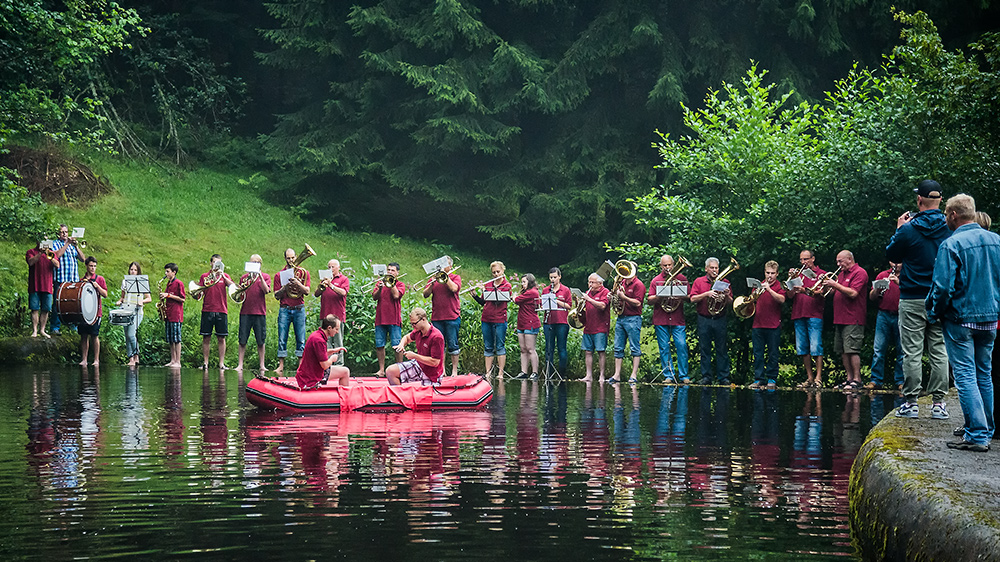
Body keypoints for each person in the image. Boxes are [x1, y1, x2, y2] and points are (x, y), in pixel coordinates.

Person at [926, 193, 1000, 452]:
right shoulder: (996, 241)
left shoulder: (951, 244)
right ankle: (987, 430)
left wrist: (935, 312)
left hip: (961, 318)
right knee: (984, 374)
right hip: (990, 318)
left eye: (946, 214)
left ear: (953, 215)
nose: (946, 218)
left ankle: (977, 435)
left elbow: (943, 287)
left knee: (966, 375)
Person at [886, 179, 951, 419]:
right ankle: (938, 404)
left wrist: (899, 228)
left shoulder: (909, 228)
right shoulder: (949, 227)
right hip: (940, 296)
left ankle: (911, 402)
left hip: (913, 295)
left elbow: (891, 254)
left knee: (911, 351)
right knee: (940, 350)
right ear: (941, 200)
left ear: (919, 200)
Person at [823, 251, 869, 391]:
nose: (838, 265)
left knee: (852, 350)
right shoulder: (841, 274)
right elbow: (831, 293)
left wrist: (835, 285)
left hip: (853, 317)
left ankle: (857, 379)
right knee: (843, 350)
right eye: (837, 262)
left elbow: (853, 293)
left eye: (840, 261)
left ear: (849, 260)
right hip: (840, 318)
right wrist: (826, 284)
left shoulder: (860, 273)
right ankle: (849, 379)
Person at [690, 257, 733, 385]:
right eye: (712, 268)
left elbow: (731, 302)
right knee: (705, 349)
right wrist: (706, 294)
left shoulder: (725, 282)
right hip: (704, 318)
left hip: (720, 318)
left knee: (721, 349)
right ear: (706, 269)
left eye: (716, 268)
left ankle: (723, 377)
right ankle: (706, 377)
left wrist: (726, 295)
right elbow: (692, 299)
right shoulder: (699, 281)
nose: (714, 270)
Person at [647, 255, 689, 384]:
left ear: (674, 264)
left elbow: (690, 297)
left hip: (677, 318)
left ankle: (684, 376)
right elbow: (649, 300)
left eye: (669, 265)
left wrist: (680, 297)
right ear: (661, 266)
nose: (667, 268)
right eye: (664, 265)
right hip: (661, 318)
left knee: (681, 345)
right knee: (664, 347)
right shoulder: (656, 280)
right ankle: (668, 375)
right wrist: (660, 296)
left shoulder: (681, 279)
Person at [788, 250, 826, 388]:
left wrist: (804, 290)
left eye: (806, 259)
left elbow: (822, 293)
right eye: (801, 260)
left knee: (816, 346)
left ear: (813, 259)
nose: (803, 262)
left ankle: (818, 378)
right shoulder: (798, 274)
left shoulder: (821, 274)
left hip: (814, 314)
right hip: (799, 314)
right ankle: (809, 378)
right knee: (802, 347)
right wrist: (790, 280)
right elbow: (790, 295)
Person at [749, 261, 786, 390]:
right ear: (764, 272)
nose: (769, 276)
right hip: (758, 324)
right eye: (767, 273)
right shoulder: (758, 284)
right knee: (758, 353)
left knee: (773, 353)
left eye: (772, 273)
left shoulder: (779, 286)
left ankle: (772, 378)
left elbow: (782, 299)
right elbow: (751, 300)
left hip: (773, 325)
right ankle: (758, 379)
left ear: (777, 274)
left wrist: (769, 289)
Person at [193, 254, 235, 370]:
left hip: (221, 310)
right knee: (206, 337)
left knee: (221, 338)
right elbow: (199, 292)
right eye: (215, 262)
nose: (216, 265)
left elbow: (233, 287)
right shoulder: (205, 276)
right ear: (211, 263)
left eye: (219, 263)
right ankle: (205, 363)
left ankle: (221, 363)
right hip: (207, 309)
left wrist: (223, 276)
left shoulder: (224, 276)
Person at [422, 256, 461, 377]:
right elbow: (425, 294)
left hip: (452, 316)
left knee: (453, 344)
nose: (442, 267)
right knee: (440, 346)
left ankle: (454, 371)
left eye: (445, 264)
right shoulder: (433, 278)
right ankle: (441, 370)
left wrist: (445, 276)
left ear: (450, 267)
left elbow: (454, 288)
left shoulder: (455, 277)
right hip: (437, 317)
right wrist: (432, 284)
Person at [867, 262, 903, 390]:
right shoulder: (883, 275)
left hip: (901, 314)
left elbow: (911, 292)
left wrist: (898, 282)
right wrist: (877, 289)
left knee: (902, 349)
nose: (896, 265)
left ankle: (900, 381)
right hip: (883, 314)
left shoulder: (907, 275)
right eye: (893, 262)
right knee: (879, 349)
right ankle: (875, 380)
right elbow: (871, 297)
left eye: (898, 262)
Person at [274, 248, 312, 373]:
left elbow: (306, 291)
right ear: (285, 258)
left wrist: (298, 284)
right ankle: (281, 365)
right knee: (282, 337)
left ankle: (300, 365)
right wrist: (285, 288)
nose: (291, 260)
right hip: (284, 308)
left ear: (296, 257)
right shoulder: (279, 275)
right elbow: (276, 295)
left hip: (299, 308)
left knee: (301, 338)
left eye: (293, 258)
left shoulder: (303, 273)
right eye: (288, 258)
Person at [472, 261, 511, 377]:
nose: (496, 274)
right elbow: (484, 302)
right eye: (494, 272)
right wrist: (475, 295)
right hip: (486, 319)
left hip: (500, 319)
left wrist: (485, 290)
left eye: (498, 272)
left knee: (499, 346)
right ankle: (488, 372)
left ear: (503, 271)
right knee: (488, 346)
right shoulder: (489, 284)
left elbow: (500, 300)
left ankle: (500, 373)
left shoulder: (507, 286)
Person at [387, 307, 445, 385]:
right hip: (419, 365)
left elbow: (435, 362)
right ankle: (399, 395)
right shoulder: (418, 331)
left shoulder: (436, 336)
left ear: (423, 319)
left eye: (415, 323)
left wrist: (415, 356)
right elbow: (407, 338)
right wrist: (401, 345)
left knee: (424, 395)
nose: (413, 326)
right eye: (411, 324)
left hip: (432, 374)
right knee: (390, 371)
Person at [236, 254, 272, 372]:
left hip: (259, 312)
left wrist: (260, 276)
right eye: (253, 262)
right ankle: (240, 364)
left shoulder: (266, 276)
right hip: (245, 311)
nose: (255, 264)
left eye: (257, 262)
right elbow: (240, 294)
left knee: (261, 340)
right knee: (242, 339)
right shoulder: (244, 277)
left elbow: (266, 290)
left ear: (260, 264)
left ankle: (262, 365)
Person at [610, 266, 645, 385]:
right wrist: (612, 297)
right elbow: (616, 297)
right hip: (621, 318)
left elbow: (638, 302)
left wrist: (623, 297)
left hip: (633, 318)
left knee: (635, 347)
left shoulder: (639, 285)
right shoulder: (621, 283)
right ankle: (617, 374)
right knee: (618, 347)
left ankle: (634, 375)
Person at [296, 315, 351, 390]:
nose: (337, 332)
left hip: (307, 373)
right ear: (329, 328)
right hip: (311, 376)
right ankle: (345, 396)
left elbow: (320, 353)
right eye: (336, 329)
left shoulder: (317, 335)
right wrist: (332, 359)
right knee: (345, 371)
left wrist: (334, 350)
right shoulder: (319, 340)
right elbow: (325, 365)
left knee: (344, 371)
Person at [49, 224, 86, 334]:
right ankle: (55, 327)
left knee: (73, 303)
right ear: (58, 234)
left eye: (66, 232)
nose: (65, 234)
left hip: (73, 279)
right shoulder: (54, 244)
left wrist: (76, 246)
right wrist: (67, 244)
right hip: (60, 278)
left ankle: (72, 325)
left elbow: (83, 259)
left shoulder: (72, 246)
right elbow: (56, 255)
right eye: (62, 232)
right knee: (57, 303)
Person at [372, 262, 406, 377]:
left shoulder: (400, 284)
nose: (390, 272)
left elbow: (396, 296)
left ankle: (400, 370)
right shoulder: (380, 283)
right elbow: (374, 297)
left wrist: (391, 284)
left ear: (397, 273)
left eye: (392, 270)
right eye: (389, 270)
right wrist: (380, 289)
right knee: (379, 345)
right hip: (380, 319)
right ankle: (381, 370)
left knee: (397, 346)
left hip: (394, 319)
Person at [115, 262, 151, 367]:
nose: (133, 272)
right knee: (127, 335)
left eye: (135, 270)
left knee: (131, 334)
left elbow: (149, 298)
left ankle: (136, 354)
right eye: (131, 269)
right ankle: (130, 358)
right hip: (126, 310)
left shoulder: (142, 282)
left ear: (138, 271)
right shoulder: (125, 281)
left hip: (137, 311)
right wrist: (119, 301)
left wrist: (142, 302)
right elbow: (122, 297)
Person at [315, 258, 350, 367]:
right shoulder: (324, 280)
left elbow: (343, 292)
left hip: (337, 316)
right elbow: (316, 294)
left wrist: (331, 285)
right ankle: (327, 364)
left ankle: (339, 365)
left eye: (332, 267)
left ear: (338, 268)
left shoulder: (343, 279)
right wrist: (322, 286)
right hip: (325, 316)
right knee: (326, 342)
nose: (330, 269)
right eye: (329, 267)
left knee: (338, 341)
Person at [580, 273, 611, 383]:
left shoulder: (605, 292)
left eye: (592, 282)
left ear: (600, 283)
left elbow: (602, 306)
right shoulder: (589, 293)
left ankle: (602, 375)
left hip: (600, 327)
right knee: (588, 351)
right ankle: (589, 375)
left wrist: (589, 299)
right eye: (589, 282)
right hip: (588, 326)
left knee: (600, 351)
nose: (590, 285)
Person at [542, 267, 572, 378]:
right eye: (551, 278)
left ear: (559, 277)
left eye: (555, 277)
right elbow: (542, 305)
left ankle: (562, 374)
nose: (552, 280)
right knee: (549, 348)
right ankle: (549, 373)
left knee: (561, 348)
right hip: (548, 322)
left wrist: (556, 300)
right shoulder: (545, 290)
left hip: (562, 322)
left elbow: (569, 305)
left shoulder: (565, 290)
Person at [78, 257, 108, 366]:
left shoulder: (100, 279)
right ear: (86, 266)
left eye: (95, 266)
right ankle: (84, 359)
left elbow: (105, 294)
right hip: (84, 313)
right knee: (84, 335)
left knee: (94, 335)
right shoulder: (82, 280)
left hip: (96, 313)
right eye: (91, 266)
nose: (93, 268)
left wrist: (98, 287)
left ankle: (96, 360)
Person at [26, 240, 59, 338]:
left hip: (47, 285)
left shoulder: (51, 253)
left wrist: (48, 254)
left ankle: (42, 330)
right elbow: (30, 262)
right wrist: (40, 253)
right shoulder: (31, 251)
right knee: (34, 308)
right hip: (34, 285)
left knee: (46, 309)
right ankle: (35, 330)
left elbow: (57, 264)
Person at [513, 273, 541, 379]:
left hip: (531, 323)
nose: (522, 284)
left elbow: (516, 300)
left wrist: (515, 296)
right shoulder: (526, 292)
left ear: (530, 282)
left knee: (530, 348)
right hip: (522, 323)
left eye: (524, 282)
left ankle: (535, 372)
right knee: (523, 349)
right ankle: (523, 371)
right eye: (522, 282)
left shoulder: (532, 292)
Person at [160, 263, 186, 368]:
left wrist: (169, 295)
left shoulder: (179, 283)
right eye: (166, 271)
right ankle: (172, 359)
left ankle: (178, 361)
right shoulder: (168, 283)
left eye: (168, 271)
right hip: (169, 313)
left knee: (176, 338)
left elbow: (182, 299)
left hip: (176, 314)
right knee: (170, 338)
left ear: (174, 272)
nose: (166, 274)